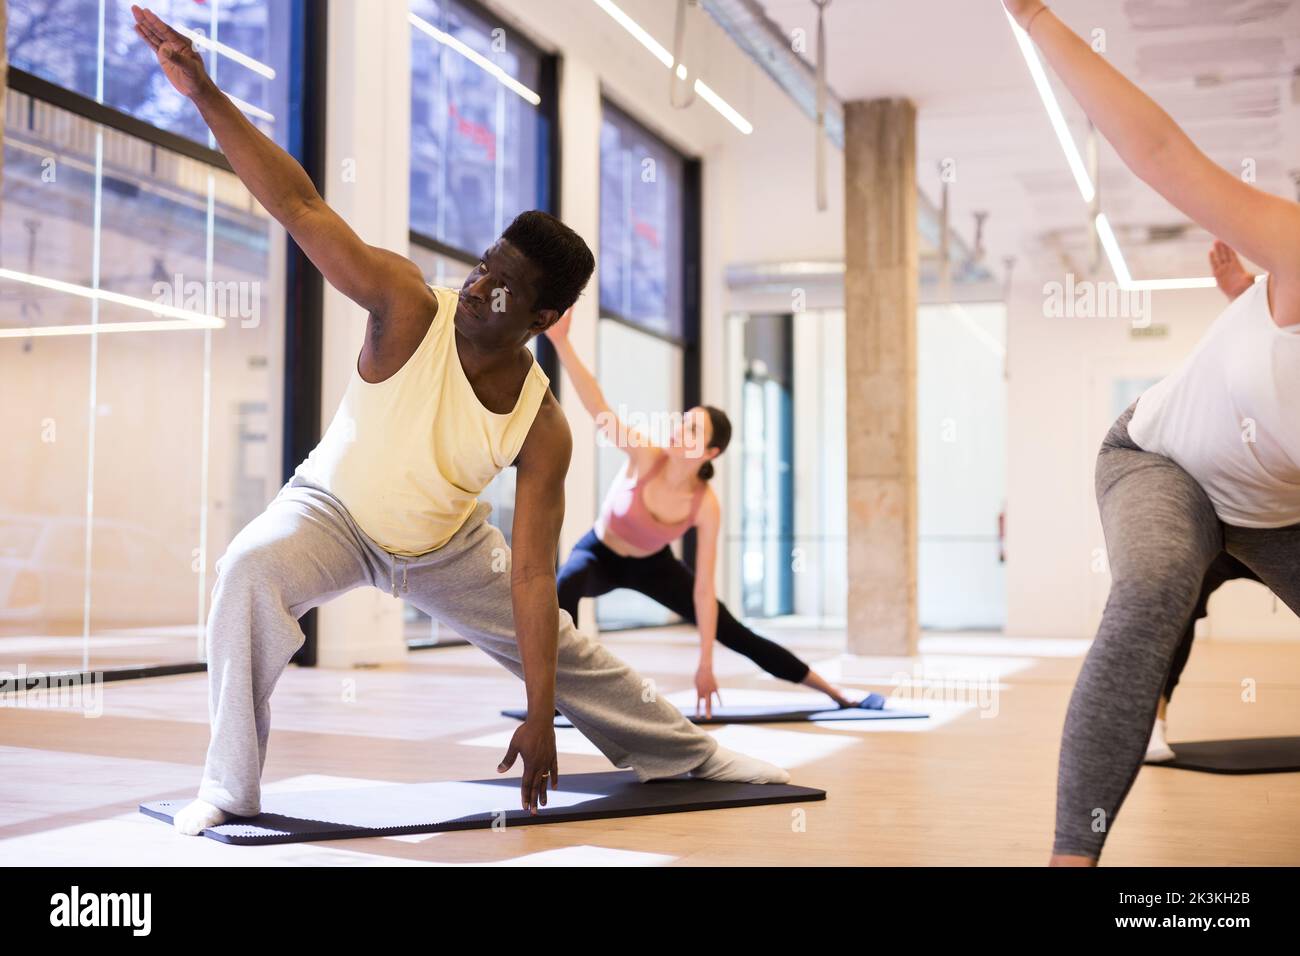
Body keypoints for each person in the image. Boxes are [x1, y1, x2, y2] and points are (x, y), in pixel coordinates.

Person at [129, 6, 789, 836]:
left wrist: (540, 713)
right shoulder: (406, 305)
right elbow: (299, 206)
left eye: (501, 286)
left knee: (564, 650)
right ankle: (230, 786)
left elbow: (533, 576)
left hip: (448, 549)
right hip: (331, 511)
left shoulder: (543, 427)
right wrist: (205, 92)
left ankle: (693, 756)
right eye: (482, 266)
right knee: (246, 569)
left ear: (543, 316)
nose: (477, 287)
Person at [1003, 1, 1300, 866]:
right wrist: (1033, 15)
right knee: (1157, 586)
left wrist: (1245, 304)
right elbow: (1163, 154)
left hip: (1274, 510)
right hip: (1160, 464)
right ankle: (1072, 857)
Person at [545, 309, 878, 717]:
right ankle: (562, 697)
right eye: (682, 423)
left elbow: (703, 589)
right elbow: (598, 407)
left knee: (732, 629)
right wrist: (561, 342)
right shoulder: (646, 455)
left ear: (709, 452)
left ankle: (835, 693)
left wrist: (705, 664)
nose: (677, 431)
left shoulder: (705, 503)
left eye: (691, 431)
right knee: (564, 587)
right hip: (601, 553)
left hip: (653, 566)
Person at [1144, 242, 1263, 763]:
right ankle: (1151, 722)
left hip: (1283, 518)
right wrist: (1243, 297)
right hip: (1220, 513)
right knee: (1174, 604)